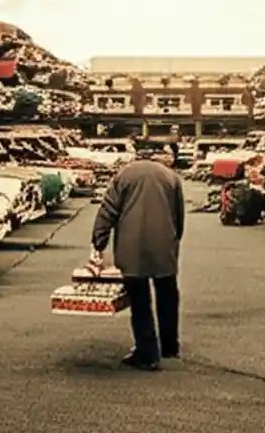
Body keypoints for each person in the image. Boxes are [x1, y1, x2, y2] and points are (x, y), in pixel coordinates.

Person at [89, 152, 185, 371]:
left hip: (132, 247)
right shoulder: (171, 177)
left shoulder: (123, 175)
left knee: (140, 301)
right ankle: (170, 345)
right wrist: (174, 240)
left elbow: (108, 210)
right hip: (164, 243)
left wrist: (99, 241)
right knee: (168, 294)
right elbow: (179, 215)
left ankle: (147, 352)